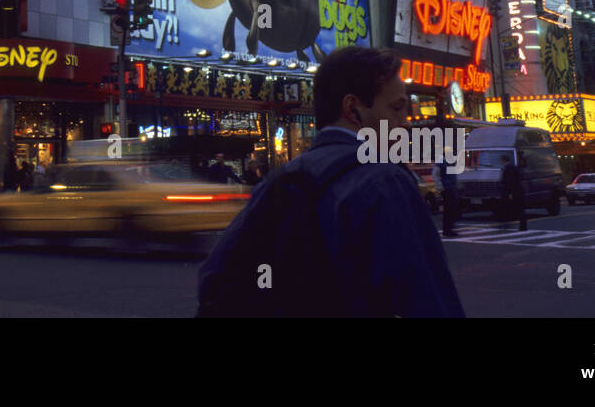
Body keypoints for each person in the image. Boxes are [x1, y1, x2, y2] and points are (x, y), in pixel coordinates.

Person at [197, 46, 465, 317]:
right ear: (353, 108)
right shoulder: (383, 182)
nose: (405, 123)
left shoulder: (279, 179)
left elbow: (214, 276)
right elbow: (431, 301)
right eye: (396, 108)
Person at [433, 149, 462, 238]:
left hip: (452, 189)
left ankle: (449, 229)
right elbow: (436, 175)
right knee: (448, 210)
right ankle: (447, 230)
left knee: (451, 210)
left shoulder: (450, 163)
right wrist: (441, 188)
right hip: (447, 189)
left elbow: (453, 176)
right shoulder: (441, 163)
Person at [499, 154, 527, 232]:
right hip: (517, 191)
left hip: (513, 192)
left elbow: (510, 181)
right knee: (518, 209)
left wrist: (510, 193)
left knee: (515, 209)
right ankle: (522, 226)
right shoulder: (512, 167)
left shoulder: (509, 168)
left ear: (503, 160)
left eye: (501, 160)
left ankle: (520, 226)